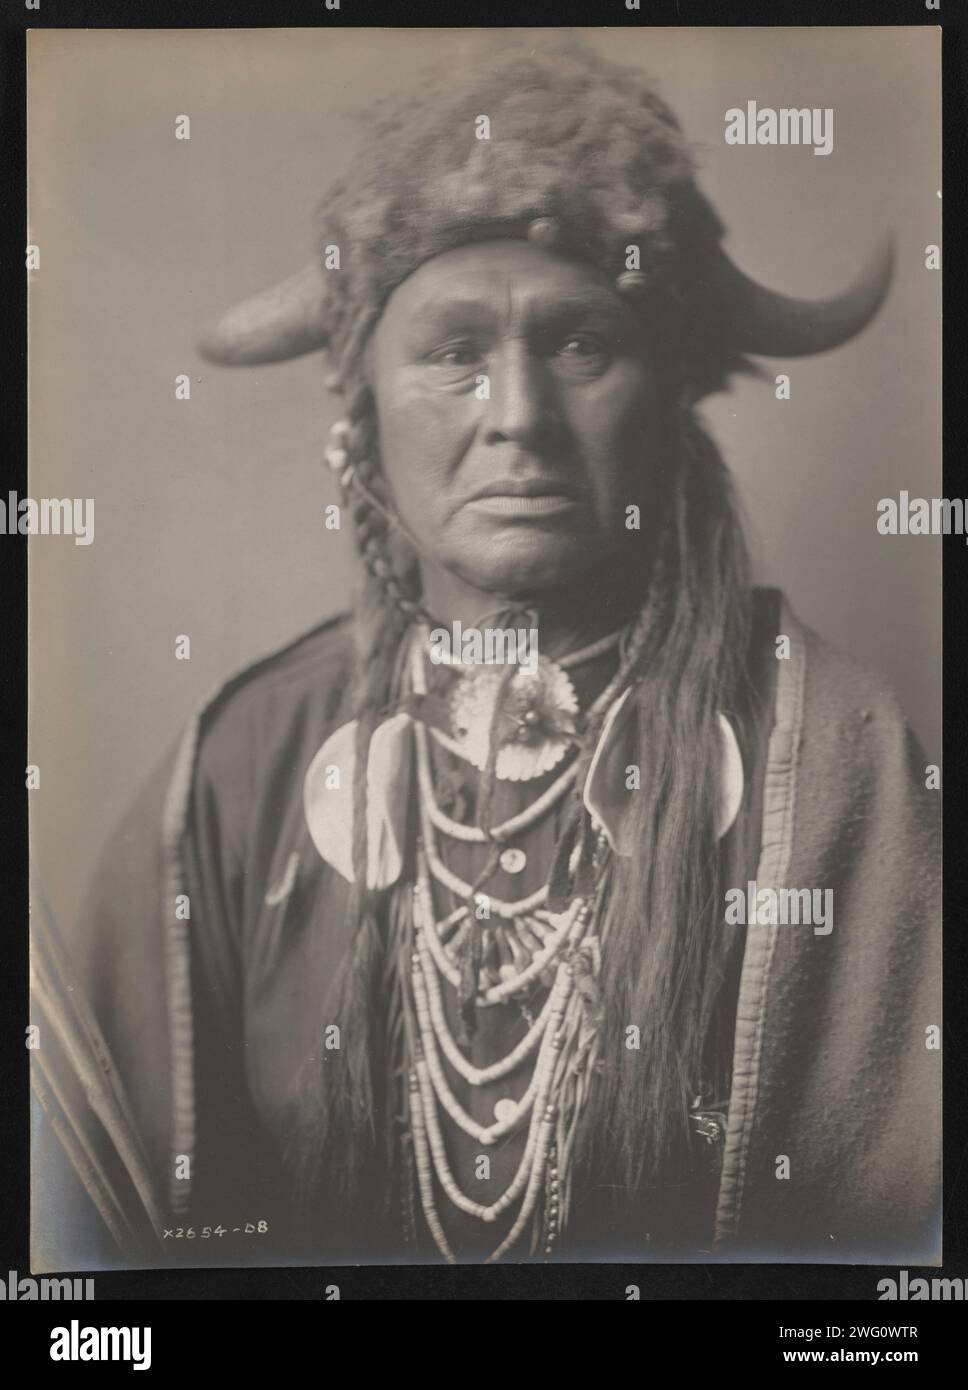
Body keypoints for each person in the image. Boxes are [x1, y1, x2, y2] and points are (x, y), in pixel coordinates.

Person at [37, 40, 940, 1267]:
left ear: (671, 402)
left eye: (579, 345)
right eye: (454, 351)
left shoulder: (832, 760)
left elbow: (892, 1267)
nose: (516, 413)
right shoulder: (241, 766)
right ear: (360, 413)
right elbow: (104, 1245)